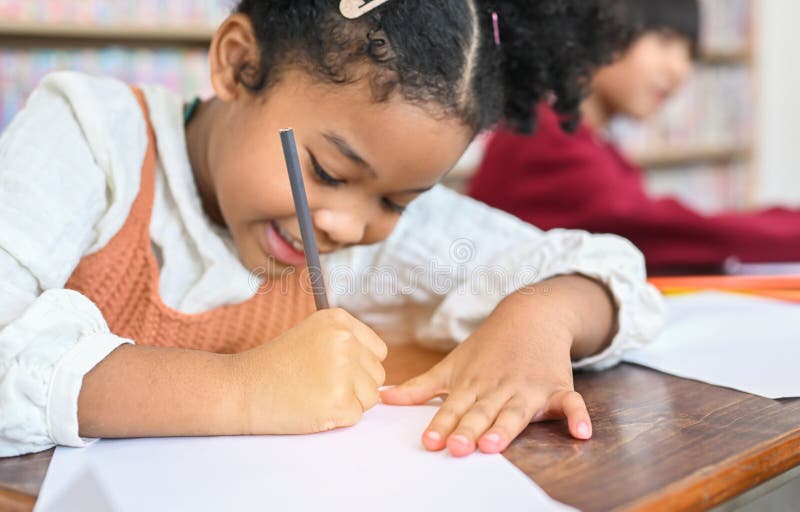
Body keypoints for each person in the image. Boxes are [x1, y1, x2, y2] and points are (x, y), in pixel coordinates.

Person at [0, 0, 662, 459]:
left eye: (397, 201)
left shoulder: (367, 233)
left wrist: (540, 319)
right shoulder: (90, 136)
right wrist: (244, 391)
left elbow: (605, 268)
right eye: (326, 171)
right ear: (238, 64)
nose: (347, 225)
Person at [469, 0, 800, 274]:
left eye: (689, 54)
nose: (680, 69)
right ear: (601, 28)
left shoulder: (581, 137)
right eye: (665, 40)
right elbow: (670, 230)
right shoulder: (544, 139)